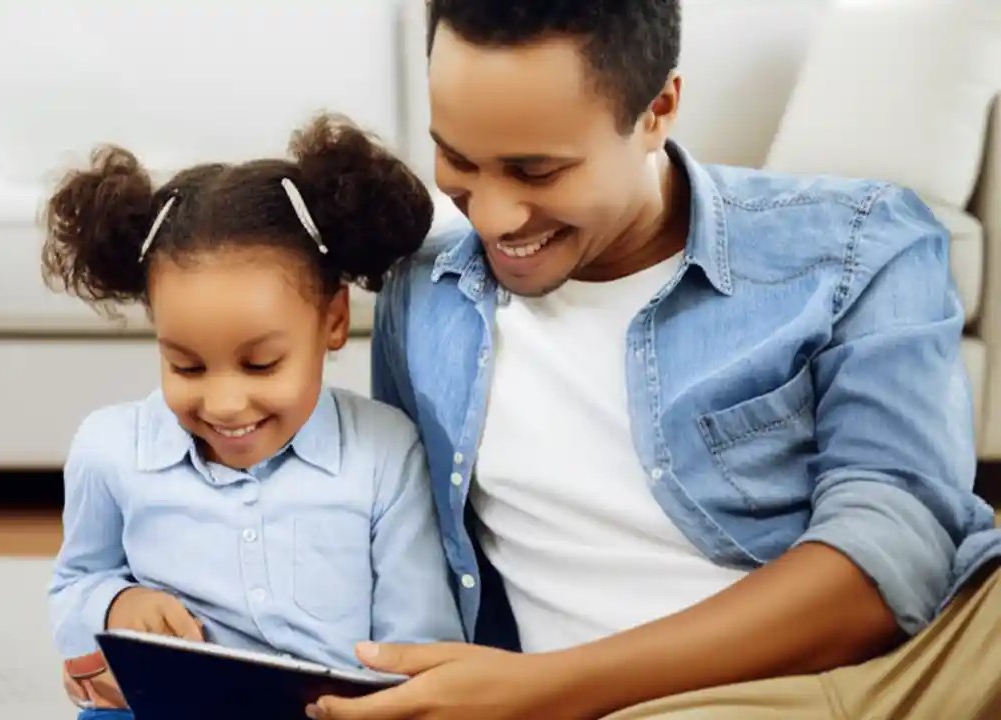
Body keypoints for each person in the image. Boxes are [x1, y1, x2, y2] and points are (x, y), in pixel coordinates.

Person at [307, 2, 1001, 719]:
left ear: (657, 110)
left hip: (910, 674)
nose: (491, 216)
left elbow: (893, 555)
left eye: (536, 170)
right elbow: (385, 526)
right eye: (457, 159)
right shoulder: (425, 293)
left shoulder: (856, 245)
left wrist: (538, 691)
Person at [40, 114, 464, 719]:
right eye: (186, 366)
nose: (224, 404)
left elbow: (418, 640)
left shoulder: (384, 453)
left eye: (261, 365)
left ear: (334, 321)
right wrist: (114, 604)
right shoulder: (109, 450)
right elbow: (74, 585)